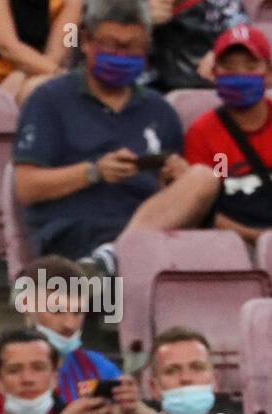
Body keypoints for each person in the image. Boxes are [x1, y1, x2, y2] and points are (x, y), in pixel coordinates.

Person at [83, 23, 272, 274]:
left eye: (250, 67)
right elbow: (205, 213)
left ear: (268, 72)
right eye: (229, 67)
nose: (240, 75)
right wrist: (258, 238)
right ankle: (114, 258)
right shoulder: (203, 133)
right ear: (213, 72)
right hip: (236, 245)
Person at [13, 0, 186, 260]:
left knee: (203, 178)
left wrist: (176, 178)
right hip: (76, 233)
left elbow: (167, 190)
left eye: (132, 47)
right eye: (111, 45)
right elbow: (26, 187)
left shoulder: (160, 110)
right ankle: (112, 259)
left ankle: (114, 257)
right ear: (85, 40)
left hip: (150, 235)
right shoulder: (49, 100)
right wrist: (94, 172)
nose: (121, 56)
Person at [0, 256, 153, 414]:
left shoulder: (96, 366)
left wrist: (135, 411)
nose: (69, 325)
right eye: (57, 310)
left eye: (77, 312)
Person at [100, 327, 268, 414]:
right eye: (172, 371)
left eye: (197, 367)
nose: (186, 378)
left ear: (215, 381)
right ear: (154, 387)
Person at [0, 0, 82, 104]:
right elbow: (6, 47)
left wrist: (26, 74)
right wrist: (61, 75)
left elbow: (67, 43)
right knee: (49, 89)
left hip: (37, 74)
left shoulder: (72, 3)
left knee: (42, 87)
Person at [148, 0, 249, 91]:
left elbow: (244, 35)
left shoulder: (222, 3)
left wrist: (222, 51)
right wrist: (144, 20)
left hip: (207, 87)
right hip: (151, 88)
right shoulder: (138, 6)